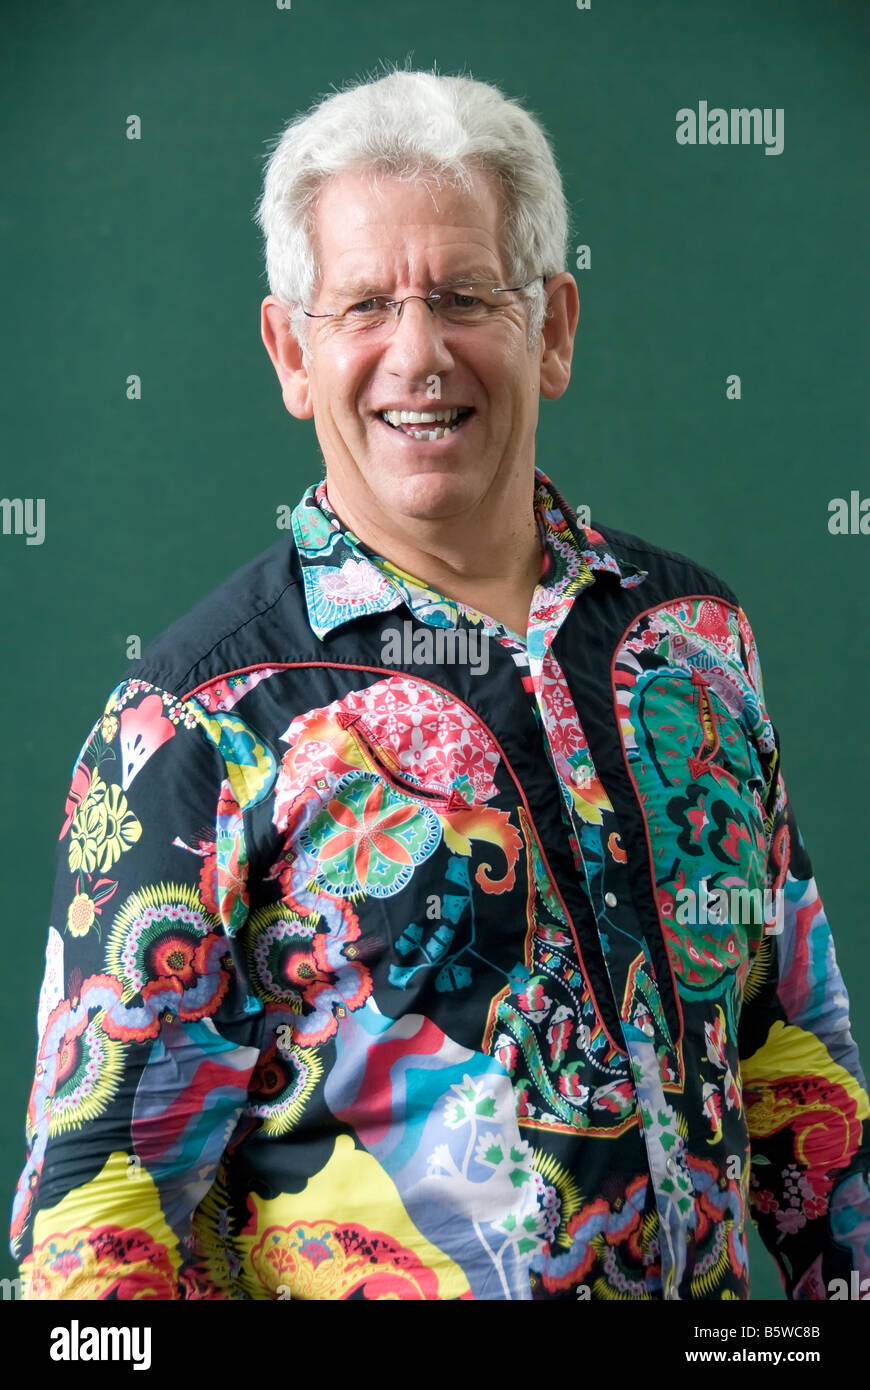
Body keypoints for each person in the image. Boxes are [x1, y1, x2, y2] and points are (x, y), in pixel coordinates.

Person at [10, 68, 869, 1302]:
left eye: (466, 295)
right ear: (291, 352)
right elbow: (90, 1240)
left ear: (554, 327)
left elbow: (792, 1059)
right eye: (363, 305)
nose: (417, 354)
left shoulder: (693, 638)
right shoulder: (194, 726)